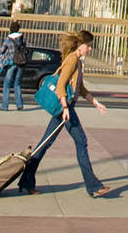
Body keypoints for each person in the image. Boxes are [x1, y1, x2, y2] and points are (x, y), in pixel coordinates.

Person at [19, 31, 110, 197]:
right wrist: (65, 107)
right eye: (89, 46)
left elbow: (80, 88)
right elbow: (61, 85)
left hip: (65, 107)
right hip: (65, 108)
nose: (90, 49)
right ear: (80, 45)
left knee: (46, 142)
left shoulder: (77, 61)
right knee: (81, 141)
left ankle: (26, 182)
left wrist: (96, 103)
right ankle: (93, 186)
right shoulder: (72, 59)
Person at [0, 20, 28, 110]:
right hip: (21, 63)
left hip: (11, 63)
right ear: (18, 29)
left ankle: (4, 106)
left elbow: (1, 50)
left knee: (7, 84)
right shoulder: (22, 38)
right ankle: (19, 105)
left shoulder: (8, 39)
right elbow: (25, 50)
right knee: (17, 83)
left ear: (10, 29)